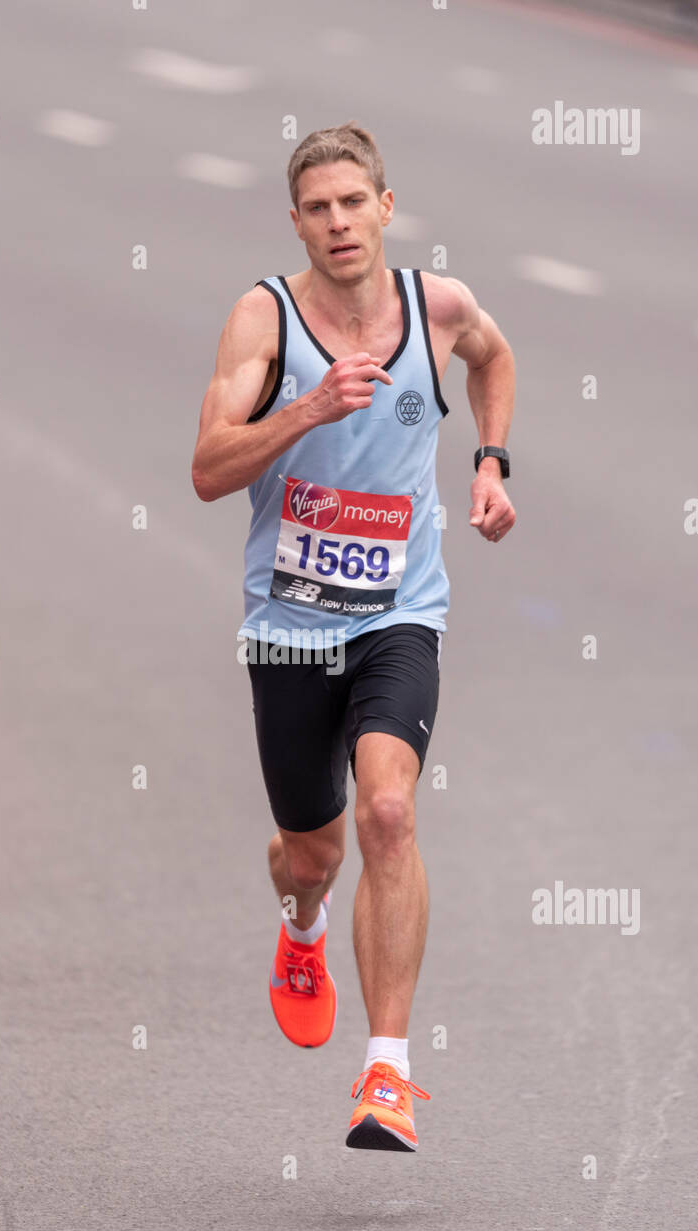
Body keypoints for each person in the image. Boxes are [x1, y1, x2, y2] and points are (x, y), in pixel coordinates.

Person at [192, 122, 515, 1151]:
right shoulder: (265, 319)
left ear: (385, 207)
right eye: (317, 208)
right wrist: (307, 410)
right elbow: (207, 470)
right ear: (296, 222)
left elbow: (494, 358)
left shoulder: (438, 307)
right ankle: (302, 925)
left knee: (386, 811)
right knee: (312, 852)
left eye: (351, 203)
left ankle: (387, 1073)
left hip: (397, 612)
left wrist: (491, 462)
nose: (337, 223)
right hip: (288, 627)